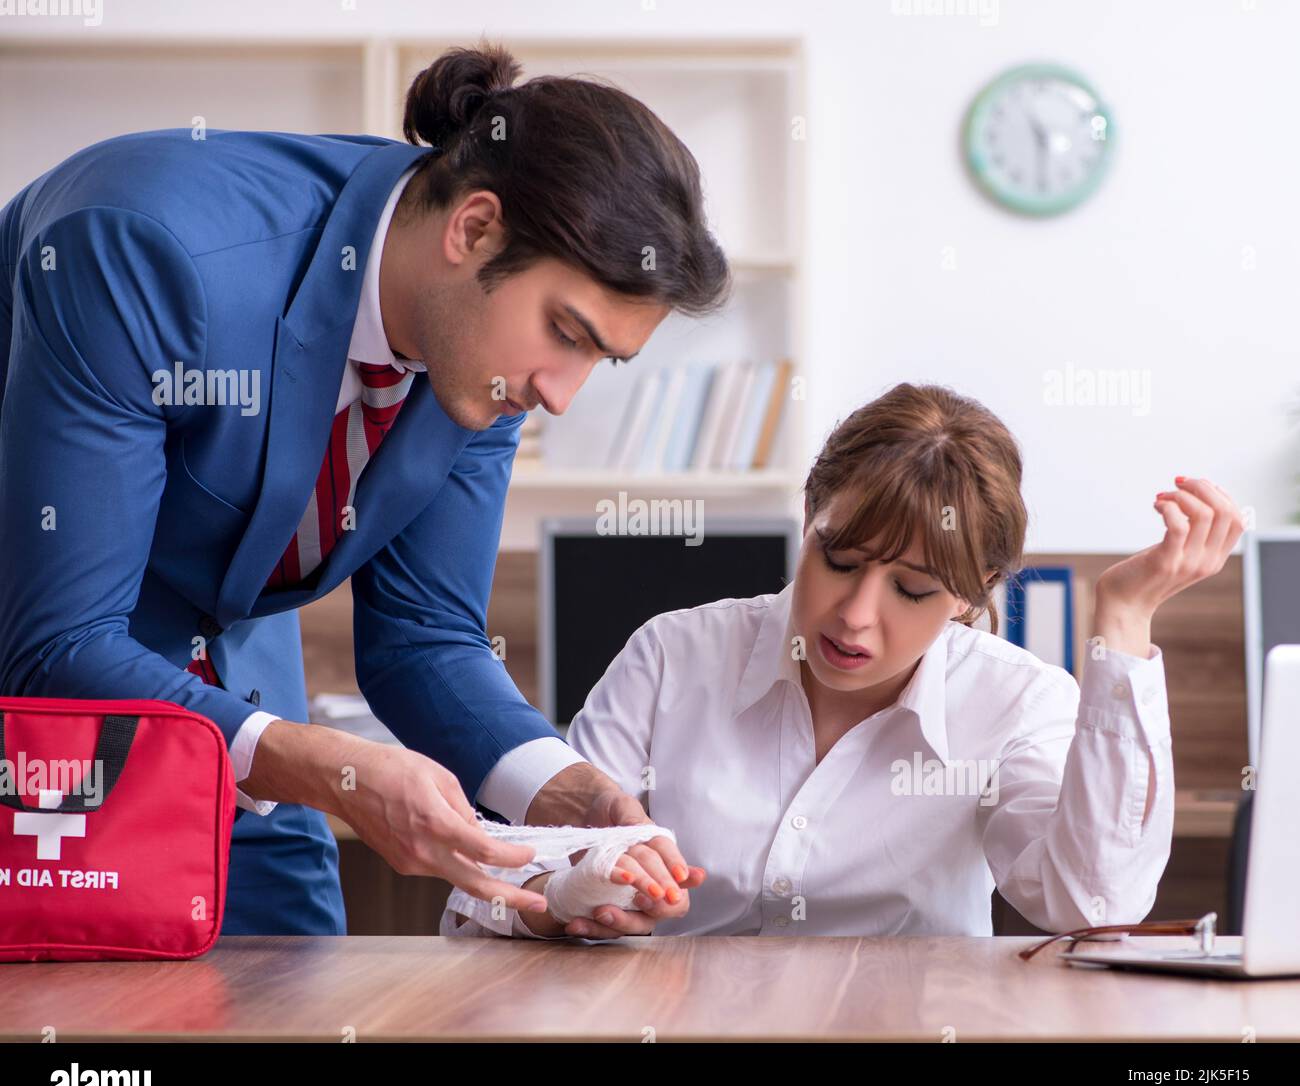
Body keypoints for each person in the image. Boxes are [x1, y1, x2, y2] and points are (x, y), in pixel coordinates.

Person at [0, 41, 722, 934]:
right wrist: (326, 765)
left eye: (600, 360)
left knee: (299, 969)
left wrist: (562, 791)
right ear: (474, 228)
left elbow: (423, 636)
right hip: (44, 686)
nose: (560, 395)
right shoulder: (145, 251)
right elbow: (60, 642)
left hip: (237, 673)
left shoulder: (480, 358)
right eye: (565, 332)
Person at [444, 382, 1245, 939]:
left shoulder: (1015, 701)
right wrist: (566, 904)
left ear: (972, 595)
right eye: (839, 558)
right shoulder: (674, 655)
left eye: (913, 589)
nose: (857, 616)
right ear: (807, 519)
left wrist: (1126, 619)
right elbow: (501, 884)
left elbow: (1092, 901)